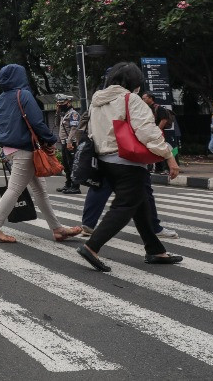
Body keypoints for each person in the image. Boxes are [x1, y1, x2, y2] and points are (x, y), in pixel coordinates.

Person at [76, 62, 182, 272]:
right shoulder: (130, 99)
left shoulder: (96, 101)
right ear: (134, 82)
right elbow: (147, 131)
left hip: (105, 161)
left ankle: (155, 250)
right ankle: (92, 246)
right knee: (124, 206)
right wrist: (169, 156)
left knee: (139, 204)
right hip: (128, 162)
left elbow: (91, 130)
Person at [0, 64, 82, 244]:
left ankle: (57, 229)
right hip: (24, 149)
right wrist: (50, 140)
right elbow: (36, 122)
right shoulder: (24, 95)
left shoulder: (0, 99)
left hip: (9, 149)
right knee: (15, 189)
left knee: (40, 190)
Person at [55, 94, 82, 194]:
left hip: (71, 143)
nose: (60, 105)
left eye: (62, 103)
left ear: (68, 102)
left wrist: (70, 141)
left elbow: (74, 129)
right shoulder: (63, 114)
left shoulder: (73, 114)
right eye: (58, 103)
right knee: (66, 165)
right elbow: (57, 124)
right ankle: (68, 184)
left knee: (72, 164)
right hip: (64, 143)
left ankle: (75, 186)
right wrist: (57, 113)